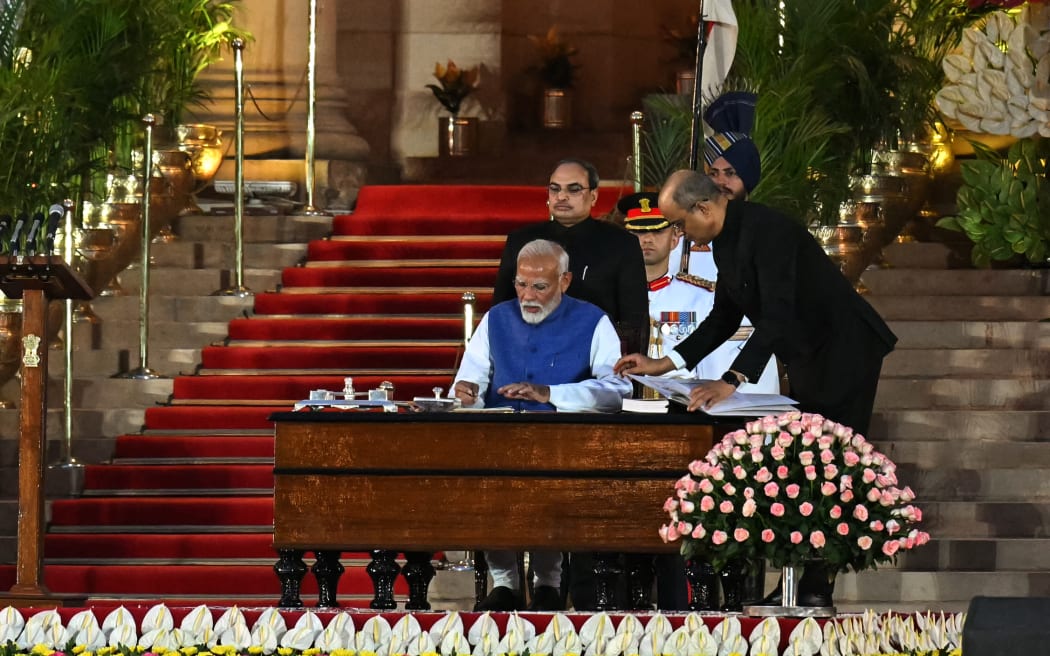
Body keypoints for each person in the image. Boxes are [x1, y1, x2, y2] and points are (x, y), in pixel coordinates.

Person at [615, 171, 898, 607]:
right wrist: (665, 362)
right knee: (805, 465)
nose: (680, 234)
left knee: (831, 464)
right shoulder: (726, 236)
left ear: (704, 209)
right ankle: (797, 579)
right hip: (807, 355)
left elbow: (777, 316)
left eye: (680, 224)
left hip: (845, 351)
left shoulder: (769, 231)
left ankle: (816, 586)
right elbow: (724, 316)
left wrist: (731, 380)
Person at [452, 239, 632, 612]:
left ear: (564, 281)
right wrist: (465, 394)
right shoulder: (497, 319)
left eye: (540, 286)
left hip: (563, 443)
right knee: (489, 488)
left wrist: (551, 393)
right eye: (521, 284)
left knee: (547, 492)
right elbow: (469, 383)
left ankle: (548, 582)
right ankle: (504, 583)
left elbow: (618, 391)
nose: (527, 295)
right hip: (497, 441)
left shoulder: (593, 320)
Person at [620, 191, 779, 392]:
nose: (647, 239)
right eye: (638, 233)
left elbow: (716, 357)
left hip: (680, 405)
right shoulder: (610, 296)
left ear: (675, 238)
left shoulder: (701, 297)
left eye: (658, 231)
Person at [493, 158, 649, 353]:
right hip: (531, 353)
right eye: (555, 189)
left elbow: (634, 318)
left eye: (573, 189)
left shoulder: (621, 244)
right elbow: (502, 310)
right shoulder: (521, 241)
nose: (562, 196)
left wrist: (630, 368)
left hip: (595, 359)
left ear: (593, 196)